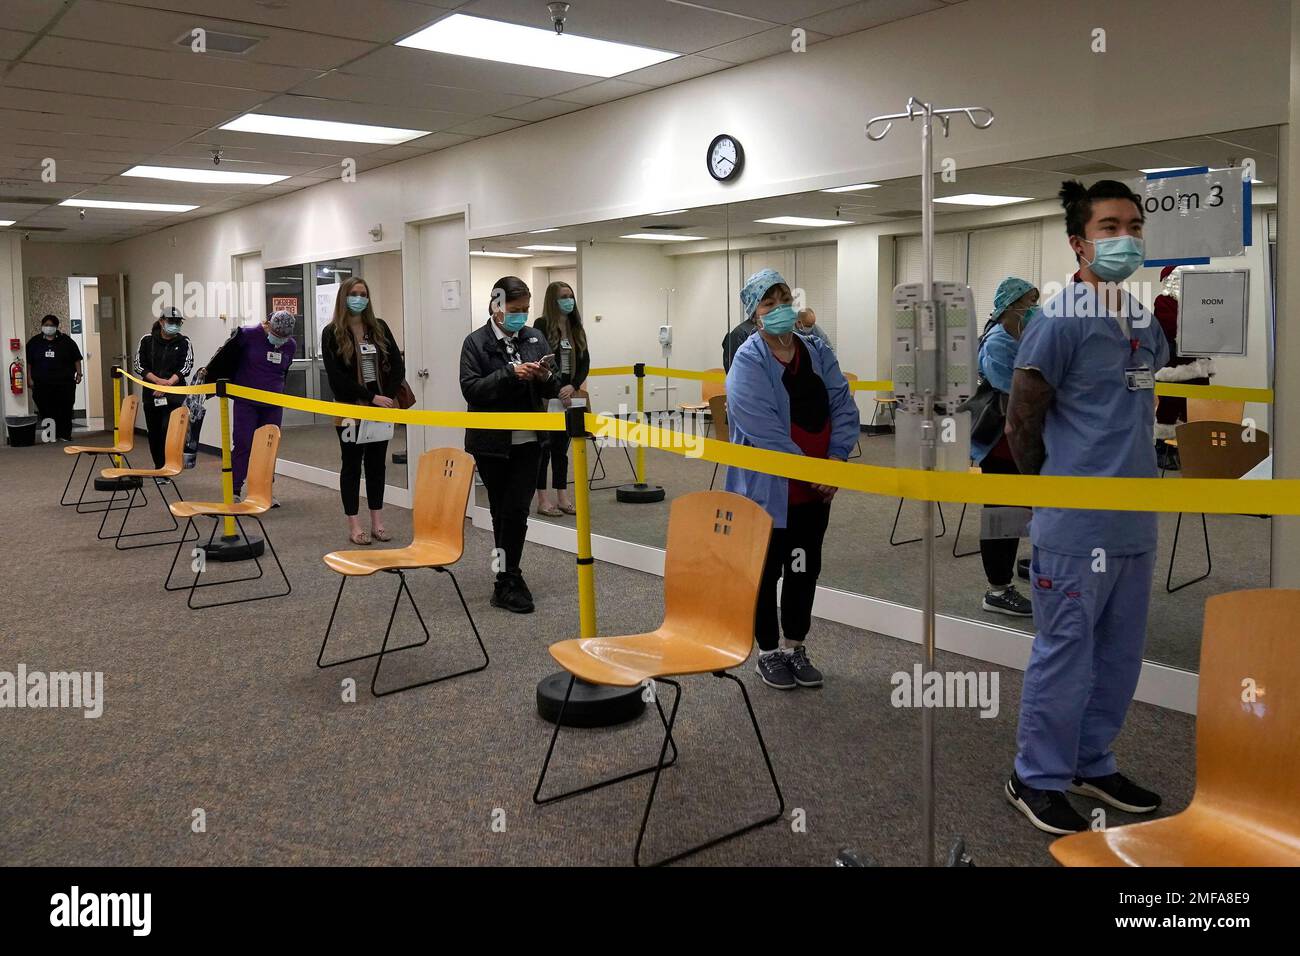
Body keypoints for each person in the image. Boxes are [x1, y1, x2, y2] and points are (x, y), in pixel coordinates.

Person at [1004, 179, 1169, 834]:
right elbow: (1021, 421)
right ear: (1079, 241)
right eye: (1109, 227)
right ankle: (1035, 775)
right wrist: (1055, 490)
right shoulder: (1058, 319)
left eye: (1133, 225)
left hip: (1133, 521)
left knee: (1119, 655)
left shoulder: (1142, 318)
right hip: (1075, 525)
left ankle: (1090, 758)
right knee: (1066, 651)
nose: (1125, 237)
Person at [725, 268, 860, 690]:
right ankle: (768, 651)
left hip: (815, 491)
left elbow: (842, 403)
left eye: (785, 301)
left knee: (804, 568)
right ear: (754, 315)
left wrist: (834, 461)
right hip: (771, 491)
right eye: (769, 304)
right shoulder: (748, 361)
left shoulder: (816, 350)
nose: (780, 310)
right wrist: (811, 471)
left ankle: (794, 645)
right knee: (767, 573)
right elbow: (763, 431)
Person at [460, 276, 560, 614]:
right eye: (515, 310)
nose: (521, 316)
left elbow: (554, 386)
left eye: (526, 310)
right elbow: (471, 389)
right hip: (491, 443)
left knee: (517, 510)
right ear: (497, 306)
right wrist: (510, 374)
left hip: (530, 441)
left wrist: (543, 375)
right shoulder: (476, 342)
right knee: (502, 512)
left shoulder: (534, 337)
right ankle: (505, 578)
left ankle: (508, 576)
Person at [965, 277, 1037, 618]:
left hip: (1022, 443)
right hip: (1001, 444)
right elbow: (1015, 391)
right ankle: (997, 589)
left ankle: (1016, 573)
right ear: (1011, 306)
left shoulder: (1022, 336)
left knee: (1020, 513)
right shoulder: (997, 342)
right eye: (1029, 302)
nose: (1035, 308)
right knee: (1001, 517)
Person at [321, 277, 404, 546]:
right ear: (344, 297)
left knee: (377, 465)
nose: (360, 298)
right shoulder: (331, 332)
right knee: (352, 465)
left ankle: (378, 522)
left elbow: (397, 365)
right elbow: (336, 378)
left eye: (364, 294)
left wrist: (387, 398)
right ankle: (354, 525)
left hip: (381, 409)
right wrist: (370, 397)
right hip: (349, 411)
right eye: (354, 294)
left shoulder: (379, 328)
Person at [532, 281, 590, 516]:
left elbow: (584, 362)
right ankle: (543, 500)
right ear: (552, 301)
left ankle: (562, 497)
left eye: (571, 296)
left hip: (570, 397)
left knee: (561, 451)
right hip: (549, 397)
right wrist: (558, 388)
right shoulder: (542, 325)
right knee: (544, 450)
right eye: (564, 296)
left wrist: (573, 386)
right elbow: (541, 360)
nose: (569, 300)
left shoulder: (576, 326)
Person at [230, 311, 296, 504]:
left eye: (284, 337)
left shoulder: (289, 345)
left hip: (273, 404)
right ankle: (234, 489)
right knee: (243, 444)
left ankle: (265, 489)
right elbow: (227, 358)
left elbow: (285, 370)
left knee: (268, 446)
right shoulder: (248, 335)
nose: (279, 340)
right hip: (246, 402)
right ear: (268, 324)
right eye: (276, 334)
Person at [1152, 265, 1214, 470]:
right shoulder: (1163, 301)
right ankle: (1165, 452)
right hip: (1174, 368)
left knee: (1196, 412)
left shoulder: (1200, 302)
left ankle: (1195, 454)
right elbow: (1170, 328)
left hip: (1197, 366)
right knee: (1169, 409)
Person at [134, 306, 194, 470]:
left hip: (175, 394)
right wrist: (158, 381)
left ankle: (171, 463)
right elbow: (139, 366)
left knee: (169, 429)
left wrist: (167, 384)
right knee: (154, 433)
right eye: (171, 321)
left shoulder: (184, 342)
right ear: (161, 322)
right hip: (151, 394)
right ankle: (159, 466)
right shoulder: (147, 340)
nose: (174, 325)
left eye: (178, 322)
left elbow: (185, 368)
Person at [26, 314, 82, 441]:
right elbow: (29, 363)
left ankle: (65, 434)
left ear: (56, 327)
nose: (48, 327)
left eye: (51, 325)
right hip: (42, 383)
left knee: (65, 408)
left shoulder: (66, 341)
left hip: (64, 383)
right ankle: (51, 435)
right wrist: (29, 378)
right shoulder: (35, 342)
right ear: (42, 326)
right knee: (46, 409)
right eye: (46, 325)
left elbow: (77, 359)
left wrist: (79, 374)